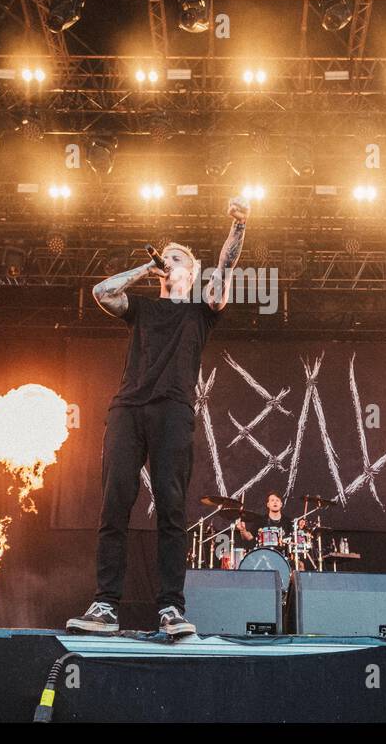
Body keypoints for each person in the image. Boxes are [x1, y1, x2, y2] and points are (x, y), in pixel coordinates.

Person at [67, 197, 249, 636]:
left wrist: (239, 226)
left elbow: (223, 268)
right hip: (128, 409)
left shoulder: (200, 312)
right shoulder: (143, 310)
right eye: (165, 258)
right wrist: (146, 271)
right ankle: (105, 606)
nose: (168, 263)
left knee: (170, 509)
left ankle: (170, 608)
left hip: (173, 411)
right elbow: (101, 293)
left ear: (191, 271)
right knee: (115, 505)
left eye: (177, 260)